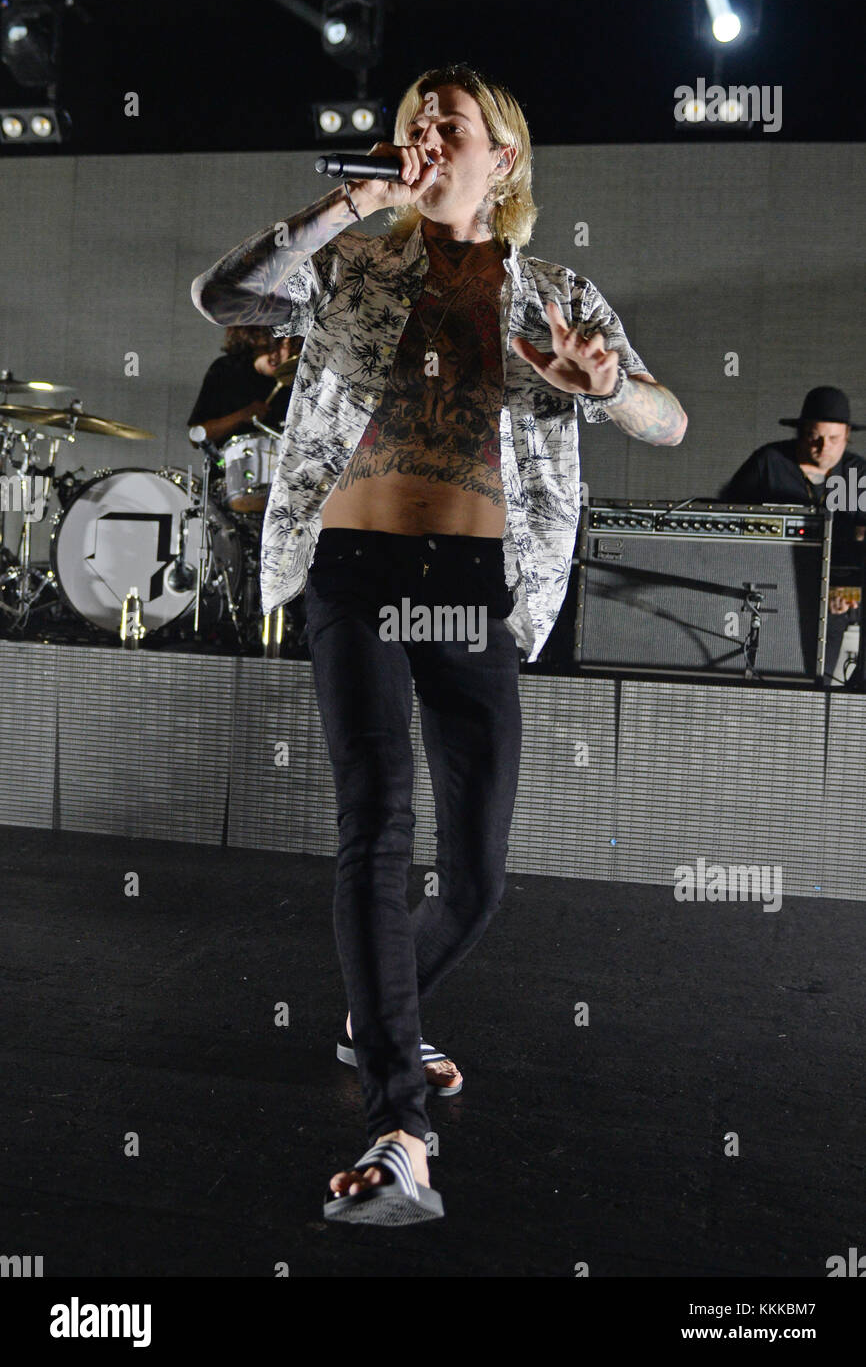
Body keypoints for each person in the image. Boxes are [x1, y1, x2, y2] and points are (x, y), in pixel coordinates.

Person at [191, 62, 687, 1225]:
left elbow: (667, 420)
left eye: (445, 122)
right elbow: (224, 297)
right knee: (375, 820)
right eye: (410, 117)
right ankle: (398, 1119)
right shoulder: (350, 262)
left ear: (498, 157)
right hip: (353, 567)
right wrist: (343, 205)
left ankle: (379, 1018)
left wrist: (607, 386)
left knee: (473, 877)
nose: (420, 132)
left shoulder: (553, 293)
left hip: (473, 586)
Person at [720, 387, 866, 686]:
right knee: (794, 684)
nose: (824, 447)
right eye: (815, 437)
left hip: (844, 593)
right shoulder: (768, 462)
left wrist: (849, 589)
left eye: (834, 439)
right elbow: (728, 522)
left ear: (847, 435)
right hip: (779, 588)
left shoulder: (858, 473)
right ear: (800, 432)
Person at [187, 326, 303, 444]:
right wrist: (242, 415)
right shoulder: (226, 369)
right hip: (228, 460)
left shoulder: (295, 384)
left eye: (291, 346)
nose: (284, 354)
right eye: (280, 344)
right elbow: (196, 438)